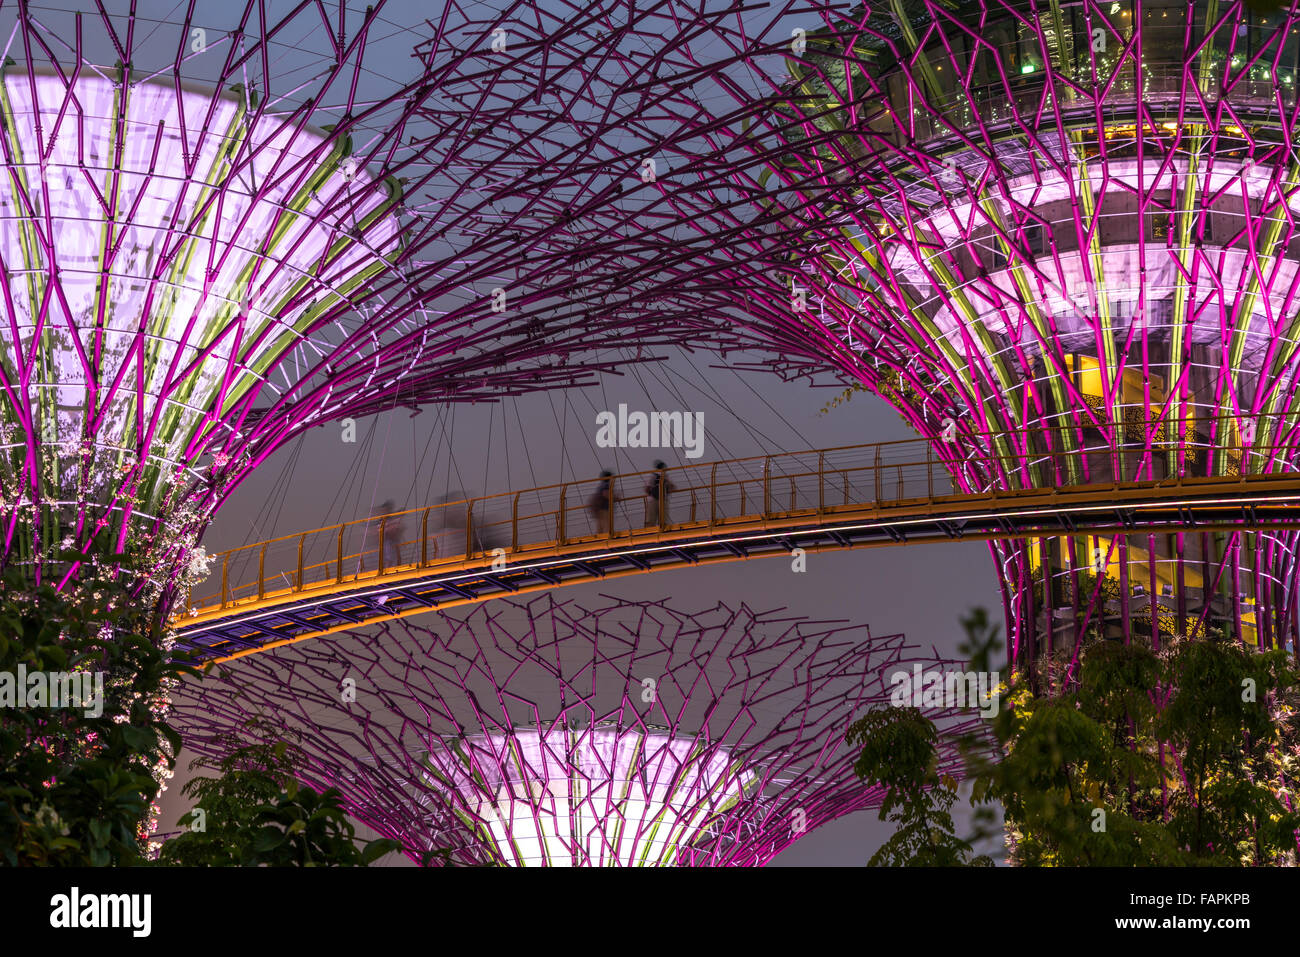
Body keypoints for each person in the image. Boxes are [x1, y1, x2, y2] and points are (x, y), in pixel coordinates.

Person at [644, 460, 675, 526]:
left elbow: (647, 488)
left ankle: (650, 532)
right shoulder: (665, 476)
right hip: (662, 499)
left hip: (653, 500)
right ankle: (663, 532)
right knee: (663, 520)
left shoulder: (653, 476)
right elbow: (672, 487)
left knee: (651, 519)